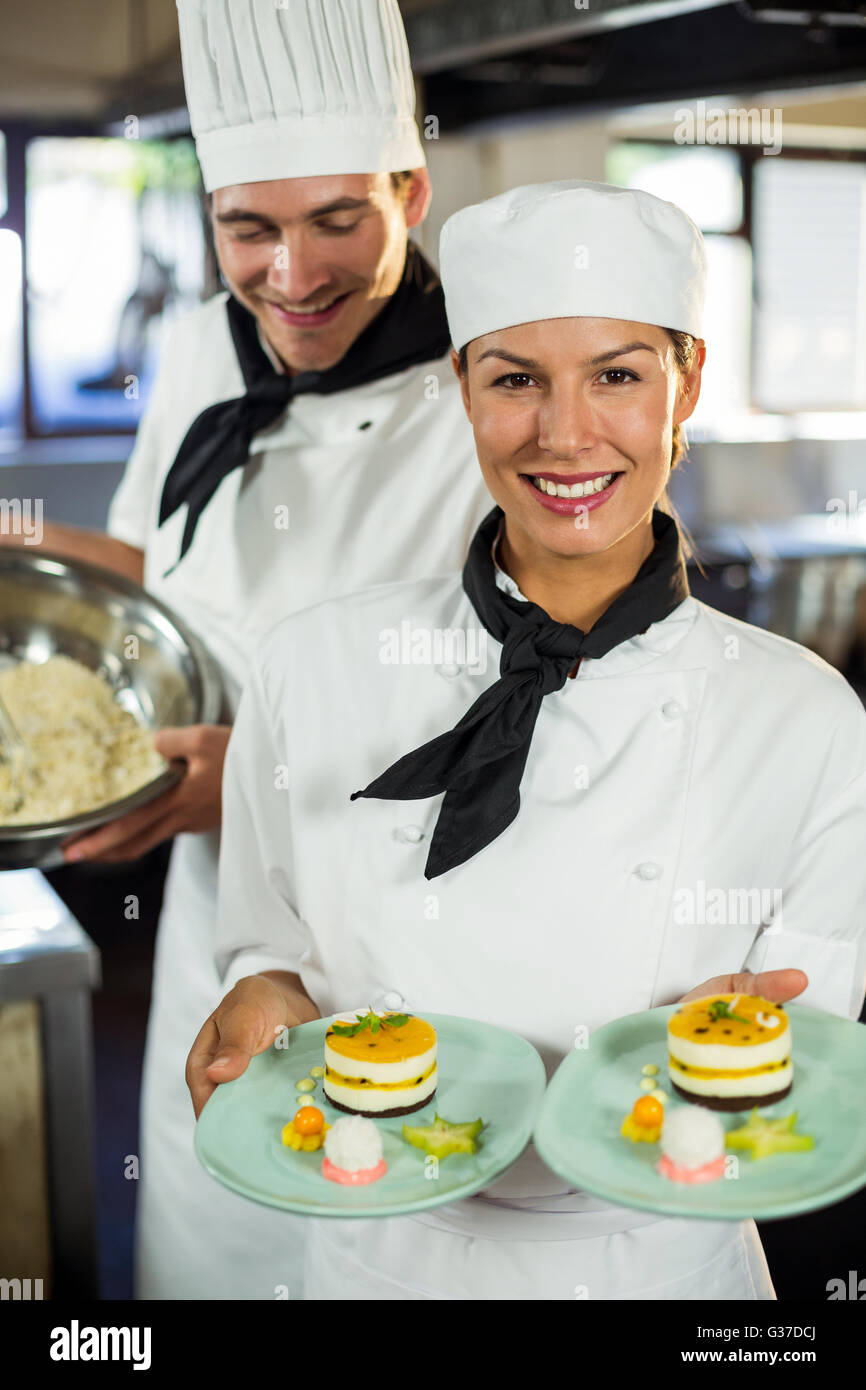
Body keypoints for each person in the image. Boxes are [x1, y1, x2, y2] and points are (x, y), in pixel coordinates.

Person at [188, 180, 866, 1300]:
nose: (565, 435)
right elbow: (265, 943)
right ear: (461, 387)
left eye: (616, 375)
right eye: (513, 380)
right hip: (379, 1253)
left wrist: (767, 1044)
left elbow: (810, 1026)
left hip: (660, 1265)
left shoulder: (804, 716)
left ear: (683, 381)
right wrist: (262, 994)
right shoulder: (310, 668)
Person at [4, 0, 491, 1299]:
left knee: (385, 1244)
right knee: (206, 1249)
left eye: (337, 219)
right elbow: (158, 589)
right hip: (221, 937)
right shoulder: (189, 355)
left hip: (416, 947)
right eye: (247, 227)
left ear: (411, 185)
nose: (289, 273)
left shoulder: (487, 393)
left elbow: (536, 704)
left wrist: (261, 777)